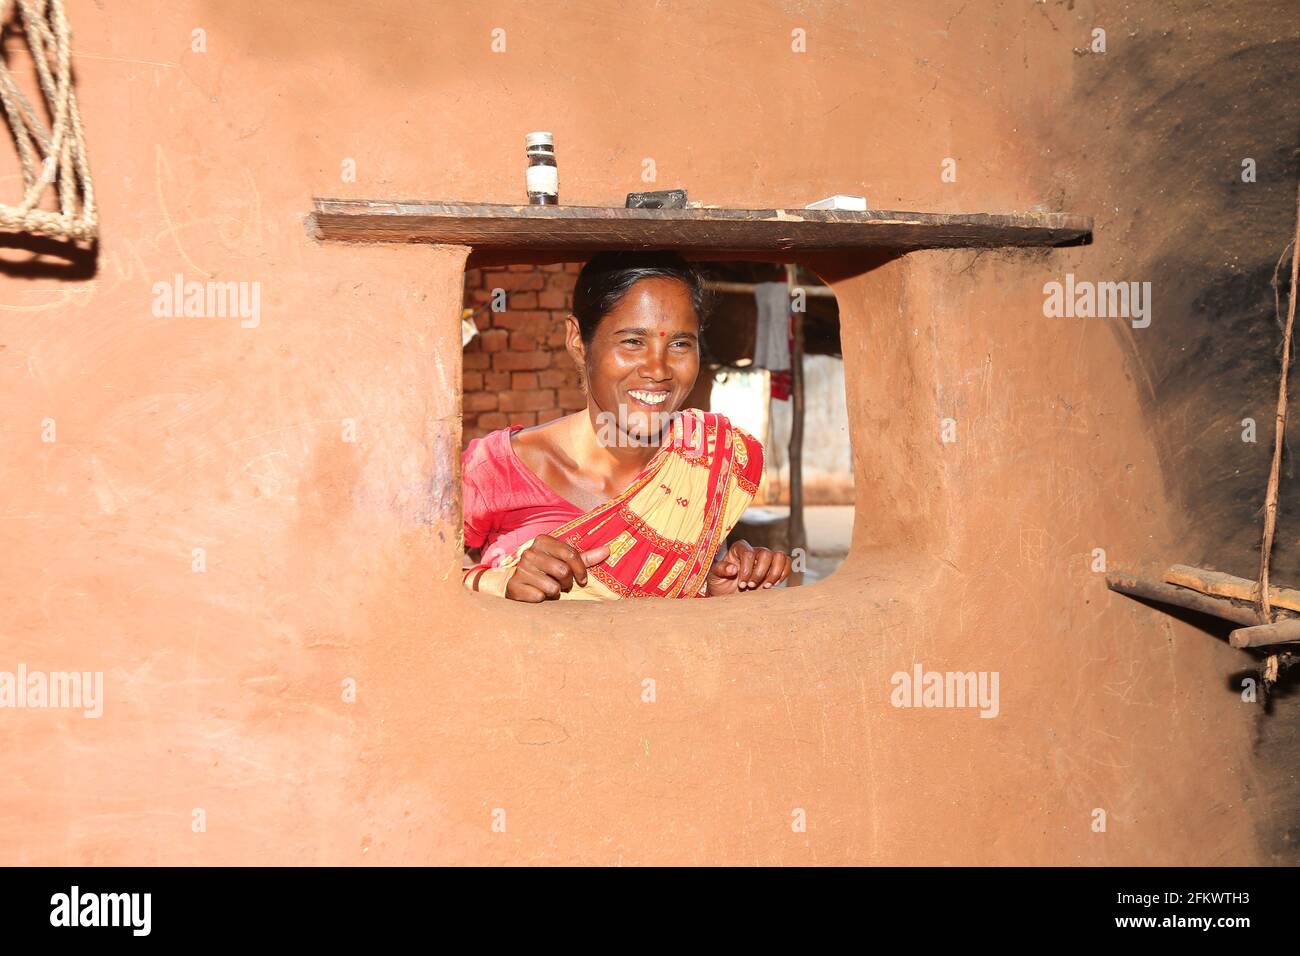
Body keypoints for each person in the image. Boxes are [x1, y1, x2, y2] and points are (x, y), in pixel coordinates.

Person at [461, 251, 793, 602]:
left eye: (680, 344)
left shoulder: (703, 463)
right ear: (577, 341)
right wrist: (497, 583)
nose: (658, 369)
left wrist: (718, 588)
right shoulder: (495, 469)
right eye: (632, 341)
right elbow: (415, 578)